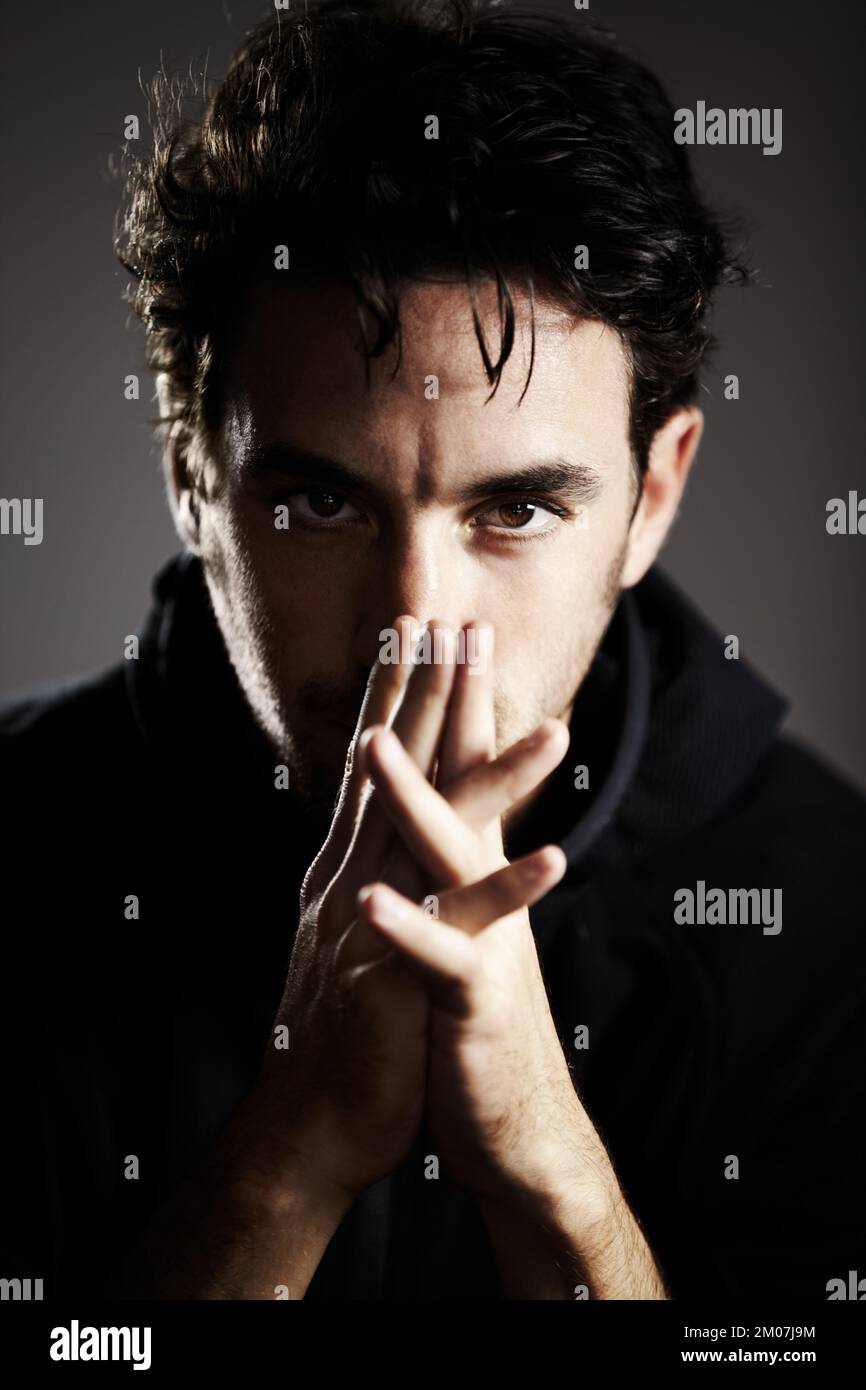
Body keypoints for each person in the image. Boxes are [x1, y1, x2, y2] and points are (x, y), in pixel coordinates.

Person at [1, 0, 863, 1300]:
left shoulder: (835, 925)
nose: (415, 622)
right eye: (321, 502)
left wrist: (546, 1168)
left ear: (653, 496)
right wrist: (284, 1162)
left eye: (512, 508)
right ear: (189, 476)